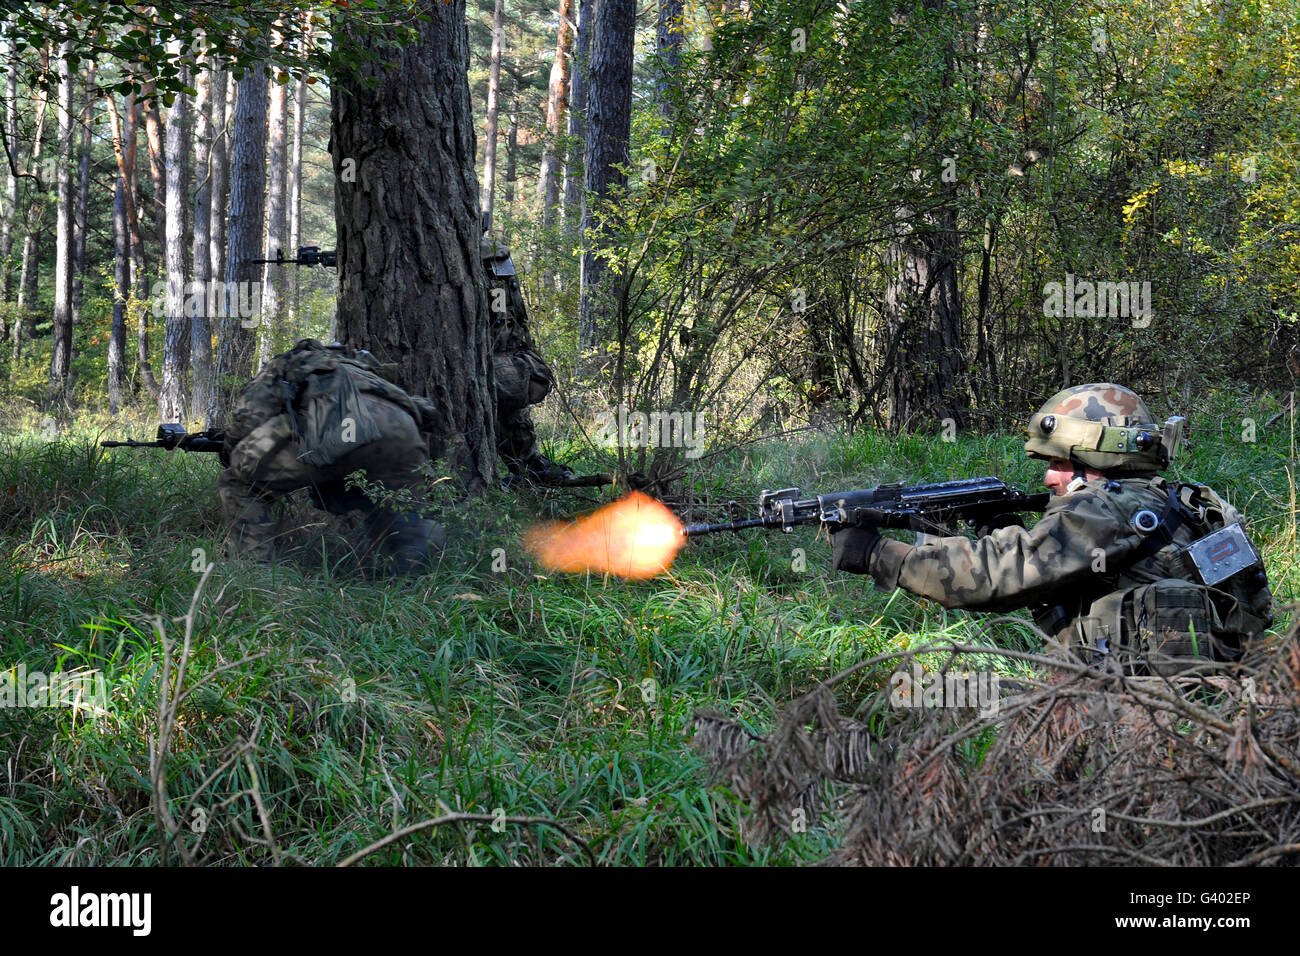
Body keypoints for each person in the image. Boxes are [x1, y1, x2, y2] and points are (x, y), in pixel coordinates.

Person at [831, 383, 1274, 674]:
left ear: (1102, 458)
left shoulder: (1108, 508)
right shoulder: (1192, 502)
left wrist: (878, 554)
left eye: (1061, 462)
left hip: (1131, 721)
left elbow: (996, 578)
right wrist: (1006, 527)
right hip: (1219, 703)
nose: (1049, 477)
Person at [218, 339, 444, 572]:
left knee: (239, 482)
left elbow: (249, 417)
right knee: (401, 510)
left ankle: (254, 573)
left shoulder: (290, 362)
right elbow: (425, 411)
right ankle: (419, 575)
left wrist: (230, 450)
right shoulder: (366, 369)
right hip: (402, 432)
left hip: (337, 428)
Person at [482, 230, 575, 484]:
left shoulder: (494, 262)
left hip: (503, 356)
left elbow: (506, 319)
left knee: (514, 408)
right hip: (495, 357)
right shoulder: (490, 263)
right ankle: (526, 465)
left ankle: (529, 464)